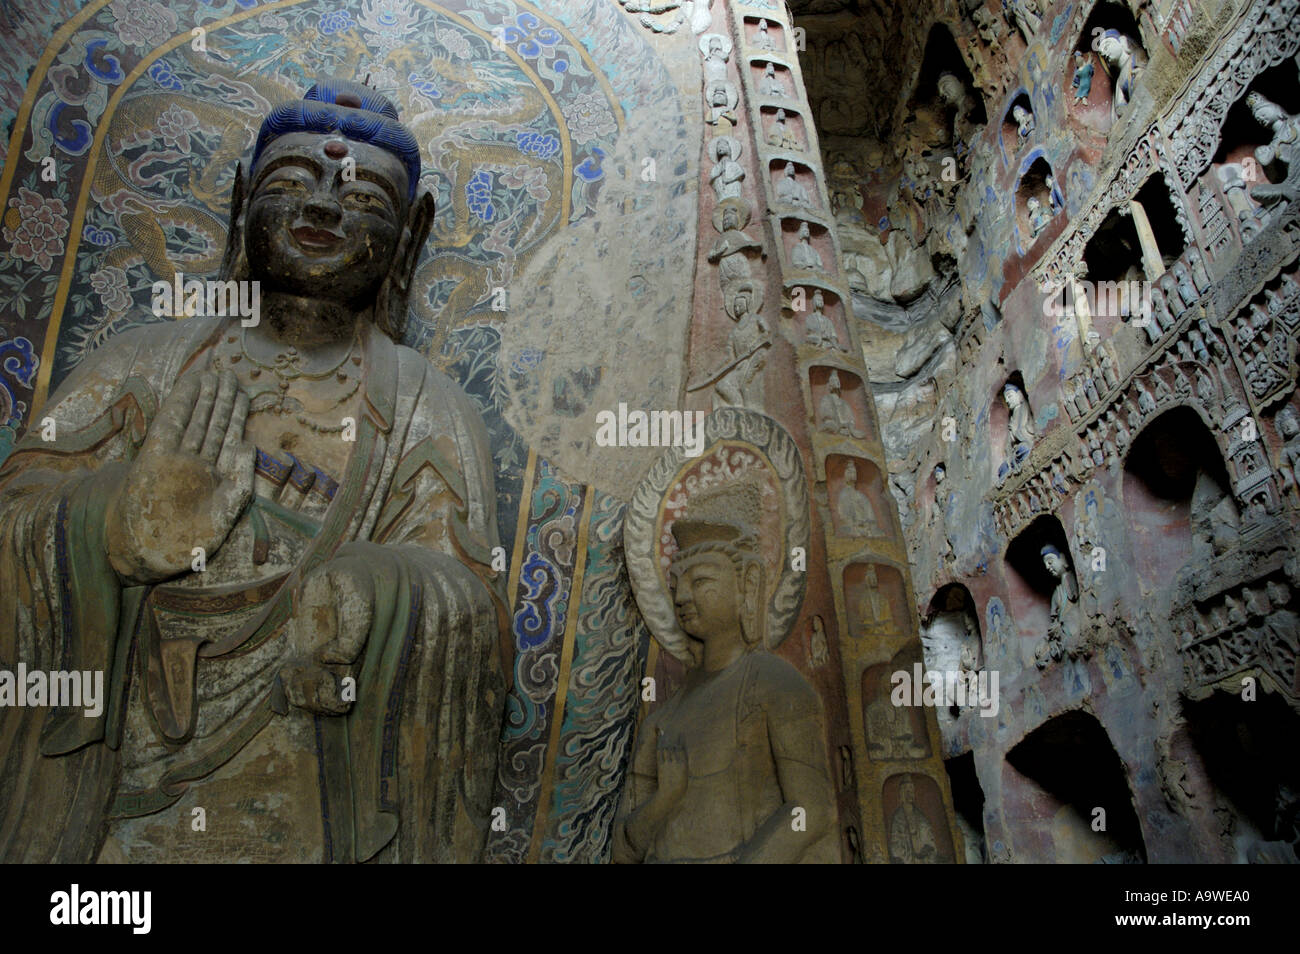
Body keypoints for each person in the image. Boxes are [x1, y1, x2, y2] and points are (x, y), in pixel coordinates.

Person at [0, 78, 509, 863]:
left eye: (363, 193)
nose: (323, 209)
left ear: (407, 239)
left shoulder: (425, 408)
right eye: (290, 183)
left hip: (307, 778)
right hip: (118, 774)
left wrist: (371, 591)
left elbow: (471, 609)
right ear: (243, 202)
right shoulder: (147, 362)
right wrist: (114, 523)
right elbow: (14, 517)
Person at [612, 480, 837, 863]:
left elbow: (810, 812)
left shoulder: (772, 685)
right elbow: (623, 848)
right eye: (676, 584)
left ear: (747, 584)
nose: (682, 597)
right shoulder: (663, 719)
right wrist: (666, 798)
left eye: (701, 581)